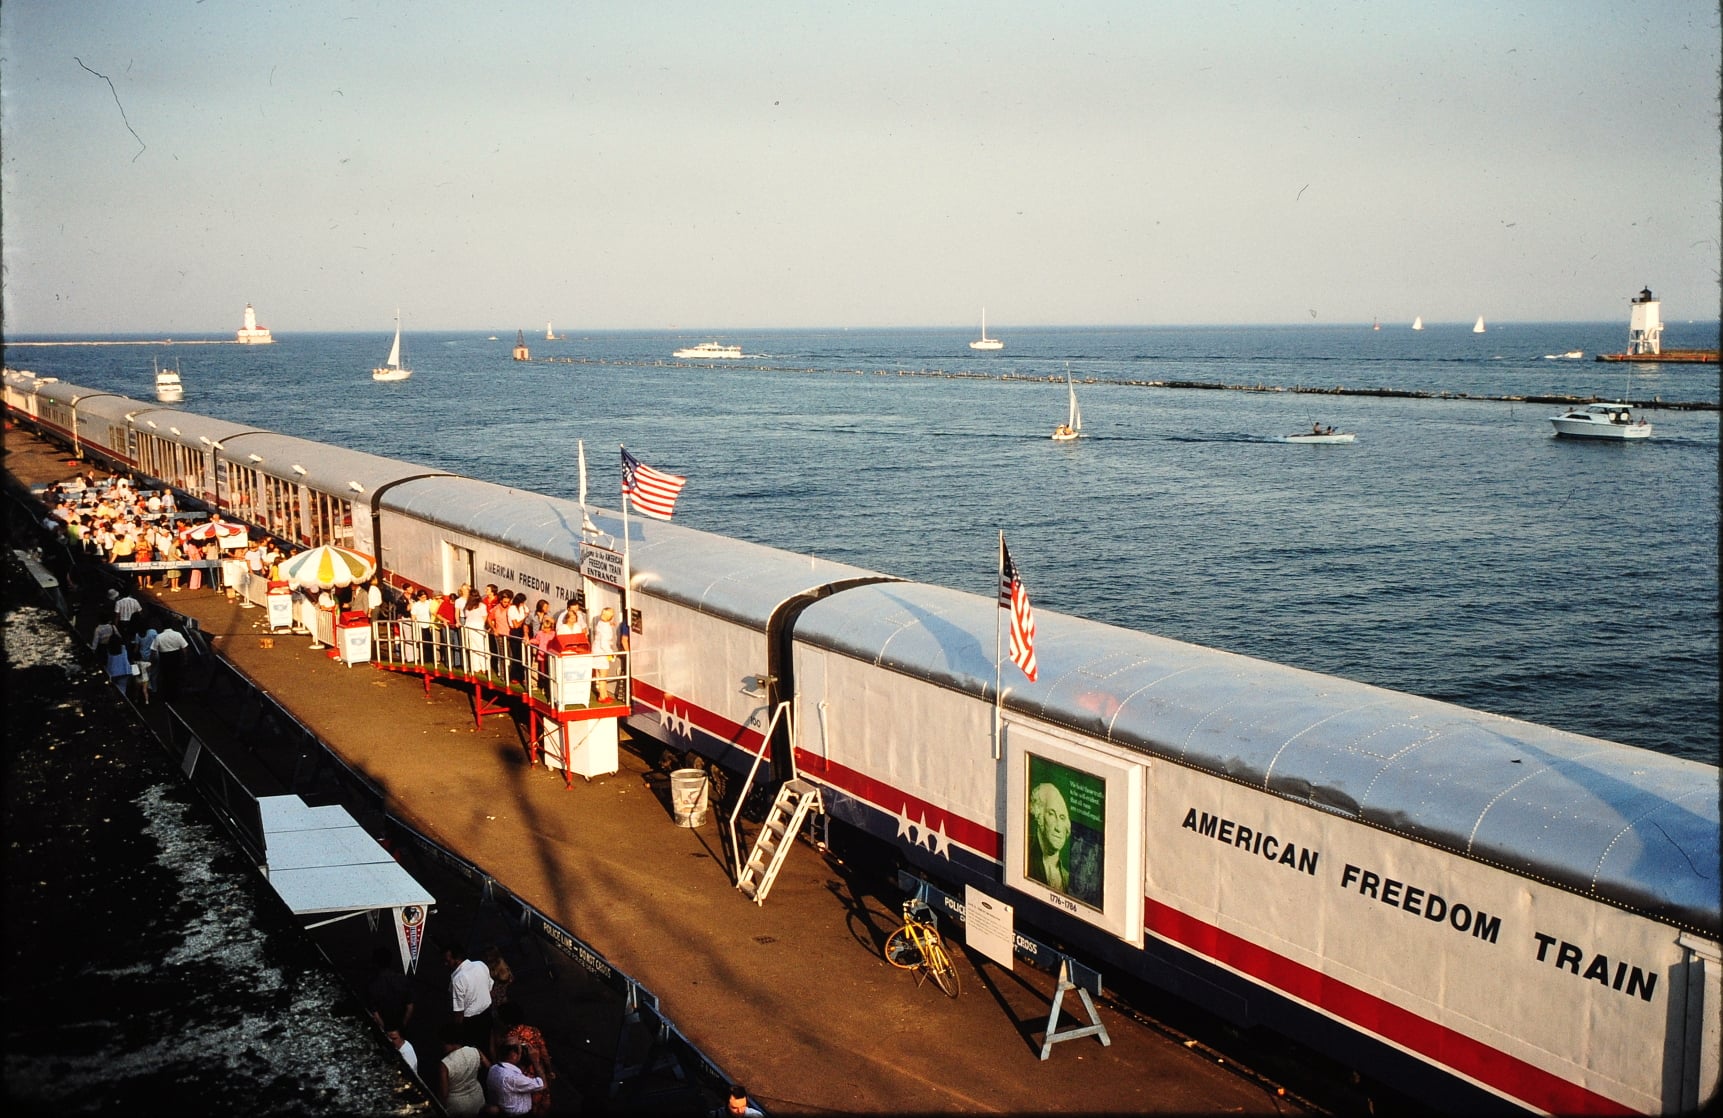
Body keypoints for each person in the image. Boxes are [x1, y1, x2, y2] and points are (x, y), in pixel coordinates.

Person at [498, 1003, 556, 1116]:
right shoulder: (534, 1031)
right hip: (539, 1071)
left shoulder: (508, 1039)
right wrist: (549, 1071)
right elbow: (544, 1054)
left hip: (523, 1076)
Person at [444, 942, 493, 1051]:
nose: (446, 964)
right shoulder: (480, 964)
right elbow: (490, 987)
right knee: (488, 1044)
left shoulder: (458, 980)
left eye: (448, 961)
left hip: (471, 1022)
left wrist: (456, 1030)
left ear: (457, 959)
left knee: (474, 1049)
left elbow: (459, 1011)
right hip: (487, 1014)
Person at [436, 1022, 490, 1117]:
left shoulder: (445, 1064)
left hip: (457, 1107)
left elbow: (444, 1093)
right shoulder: (475, 1051)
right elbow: (489, 1067)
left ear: (447, 1042)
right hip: (477, 1098)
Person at [1027, 781, 1072, 893]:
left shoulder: (1068, 878)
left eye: (1062, 817)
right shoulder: (1025, 857)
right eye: (1051, 814)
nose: (1058, 827)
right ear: (1039, 816)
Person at [485, 1040, 546, 1115]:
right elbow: (542, 1084)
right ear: (513, 1055)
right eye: (520, 1051)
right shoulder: (513, 1078)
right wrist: (535, 1061)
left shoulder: (493, 1068)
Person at [366, 946, 416, 1035]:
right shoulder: (403, 979)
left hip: (387, 1026)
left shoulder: (373, 984)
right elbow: (410, 1007)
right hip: (401, 1026)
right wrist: (403, 1025)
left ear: (375, 963)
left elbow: (375, 1012)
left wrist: (385, 1029)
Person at [151, 625, 190, 700]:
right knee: (176, 677)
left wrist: (154, 661)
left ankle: (168, 696)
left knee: (166, 678)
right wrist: (185, 659)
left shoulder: (159, 637)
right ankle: (176, 695)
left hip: (164, 659)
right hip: (176, 659)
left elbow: (153, 651)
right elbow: (185, 648)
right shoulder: (177, 634)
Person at [591, 606, 620, 701]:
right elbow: (604, 644)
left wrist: (610, 624)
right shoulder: (606, 628)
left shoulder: (600, 623)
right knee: (603, 676)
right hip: (602, 653)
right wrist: (611, 654)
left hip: (596, 650)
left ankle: (603, 694)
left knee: (599, 675)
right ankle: (602, 696)